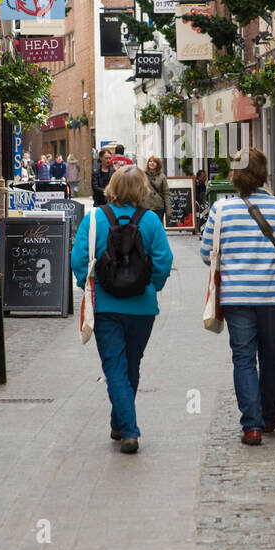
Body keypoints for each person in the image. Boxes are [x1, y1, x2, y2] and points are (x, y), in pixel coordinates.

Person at [200, 147, 275, 445]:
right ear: (262, 173)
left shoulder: (221, 210)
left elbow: (208, 255)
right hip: (274, 297)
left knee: (243, 357)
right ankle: (271, 414)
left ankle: (252, 426)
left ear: (234, 176)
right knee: (271, 355)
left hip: (237, 297)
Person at [71, 166, 173, 453]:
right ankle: (120, 424)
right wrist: (152, 286)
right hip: (142, 307)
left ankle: (129, 430)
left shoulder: (94, 220)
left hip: (105, 307)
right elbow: (164, 260)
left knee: (114, 367)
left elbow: (79, 259)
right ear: (143, 189)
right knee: (131, 364)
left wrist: (87, 286)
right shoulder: (151, 220)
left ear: (112, 187)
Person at [144, 156, 169, 221]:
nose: (152, 163)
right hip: (147, 206)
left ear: (158, 164)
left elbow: (166, 193)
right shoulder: (143, 175)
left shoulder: (162, 176)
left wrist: (168, 210)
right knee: (148, 226)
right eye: (150, 161)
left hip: (159, 207)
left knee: (157, 226)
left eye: (154, 162)